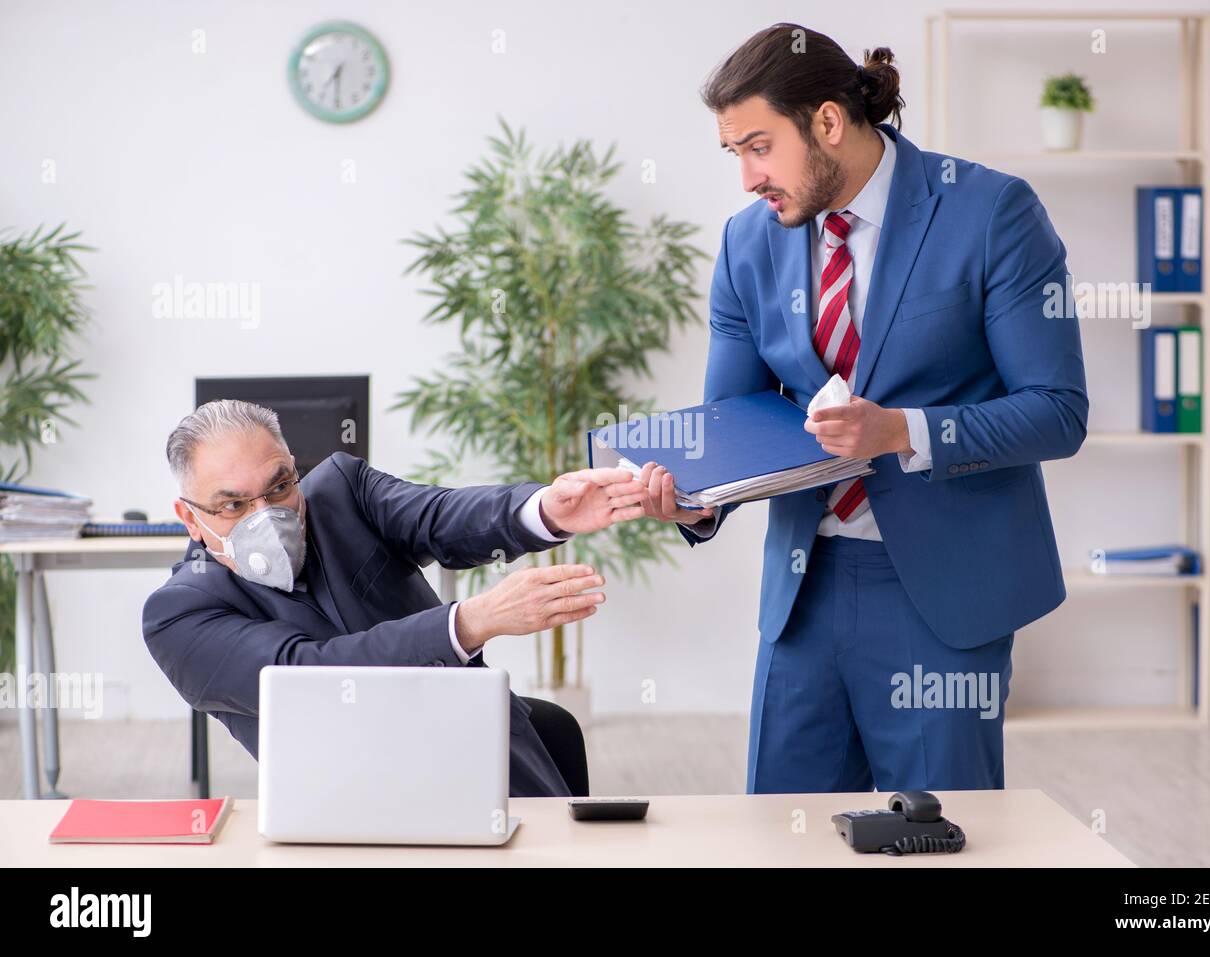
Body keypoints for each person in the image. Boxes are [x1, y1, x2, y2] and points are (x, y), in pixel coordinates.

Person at [641, 24, 1088, 794]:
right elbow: (734, 422)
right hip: (802, 592)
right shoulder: (750, 243)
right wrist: (688, 497)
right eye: (735, 154)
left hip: (945, 596)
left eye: (758, 146)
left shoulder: (989, 212)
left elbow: (1057, 411)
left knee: (942, 836)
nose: (748, 178)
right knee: (784, 839)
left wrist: (901, 432)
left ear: (826, 122)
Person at [143, 399, 644, 796]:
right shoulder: (178, 615)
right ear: (190, 517)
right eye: (233, 504)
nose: (265, 515)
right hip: (353, 804)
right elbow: (308, 673)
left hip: (483, 754)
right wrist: (470, 622)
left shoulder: (340, 490)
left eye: (278, 488)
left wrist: (545, 510)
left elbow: (442, 516)